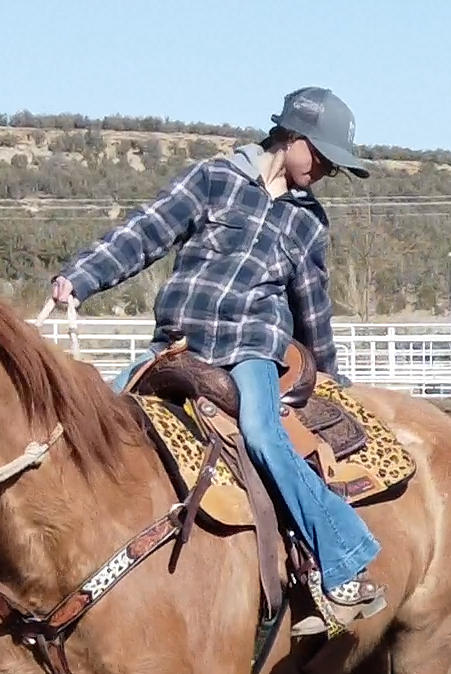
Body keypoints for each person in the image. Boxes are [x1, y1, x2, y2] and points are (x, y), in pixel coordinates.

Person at [50, 87, 383, 635]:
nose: (324, 171)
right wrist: (80, 278)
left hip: (253, 348)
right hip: (180, 343)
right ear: (293, 138)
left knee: (260, 432)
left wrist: (328, 373)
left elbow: (312, 304)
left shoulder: (308, 222)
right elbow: (146, 230)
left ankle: (343, 561)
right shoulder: (214, 180)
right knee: (99, 414)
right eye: (321, 156)